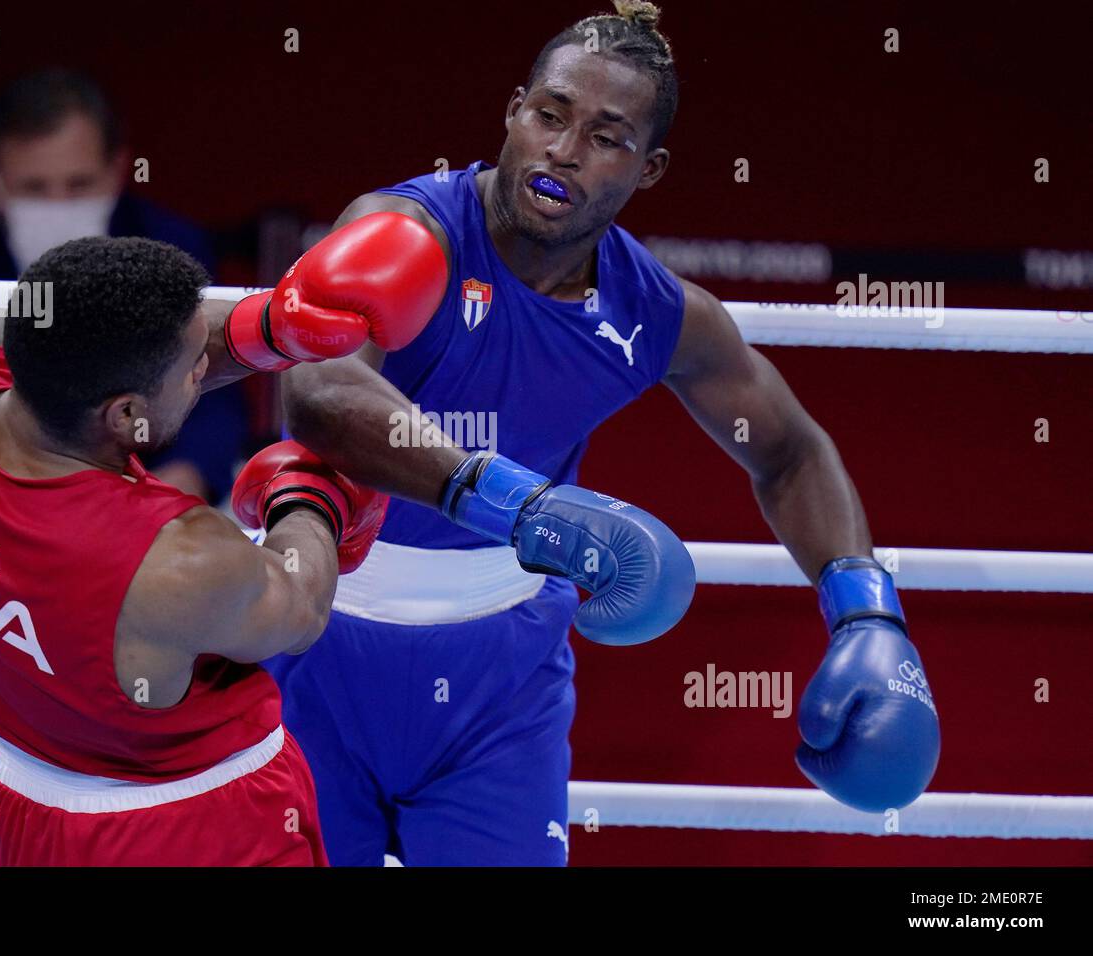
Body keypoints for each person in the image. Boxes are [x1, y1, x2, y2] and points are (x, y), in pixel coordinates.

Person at [270, 0, 941, 865]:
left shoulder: (655, 313)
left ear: (648, 167)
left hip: (502, 681)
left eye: (604, 137)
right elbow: (319, 388)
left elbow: (790, 448)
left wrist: (865, 614)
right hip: (319, 628)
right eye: (550, 114)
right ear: (515, 109)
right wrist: (521, 504)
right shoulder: (405, 233)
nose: (562, 150)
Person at [0, 225, 442, 865]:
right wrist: (309, 495)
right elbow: (300, 610)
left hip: (26, 801)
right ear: (125, 415)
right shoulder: (176, 560)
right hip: (195, 833)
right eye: (192, 366)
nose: (207, 367)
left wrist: (266, 329)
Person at [0, 68, 245, 509]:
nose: (57, 206)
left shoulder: (174, 245)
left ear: (115, 171)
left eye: (78, 185)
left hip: (141, 503)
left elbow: (215, 400)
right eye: (35, 188)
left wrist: (181, 485)